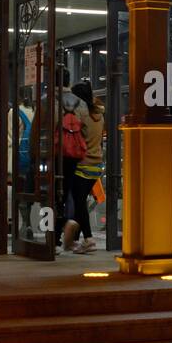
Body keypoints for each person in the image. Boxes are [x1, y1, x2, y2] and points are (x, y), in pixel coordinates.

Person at [62, 80, 105, 253]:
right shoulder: (99, 114)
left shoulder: (82, 115)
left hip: (83, 163)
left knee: (78, 201)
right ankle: (78, 238)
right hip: (96, 164)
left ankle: (87, 239)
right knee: (81, 201)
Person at [56, 67, 89, 240]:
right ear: (68, 81)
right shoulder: (81, 104)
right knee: (69, 191)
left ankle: (54, 238)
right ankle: (69, 226)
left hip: (54, 154)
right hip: (74, 156)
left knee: (54, 195)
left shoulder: (46, 101)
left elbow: (38, 132)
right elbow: (85, 131)